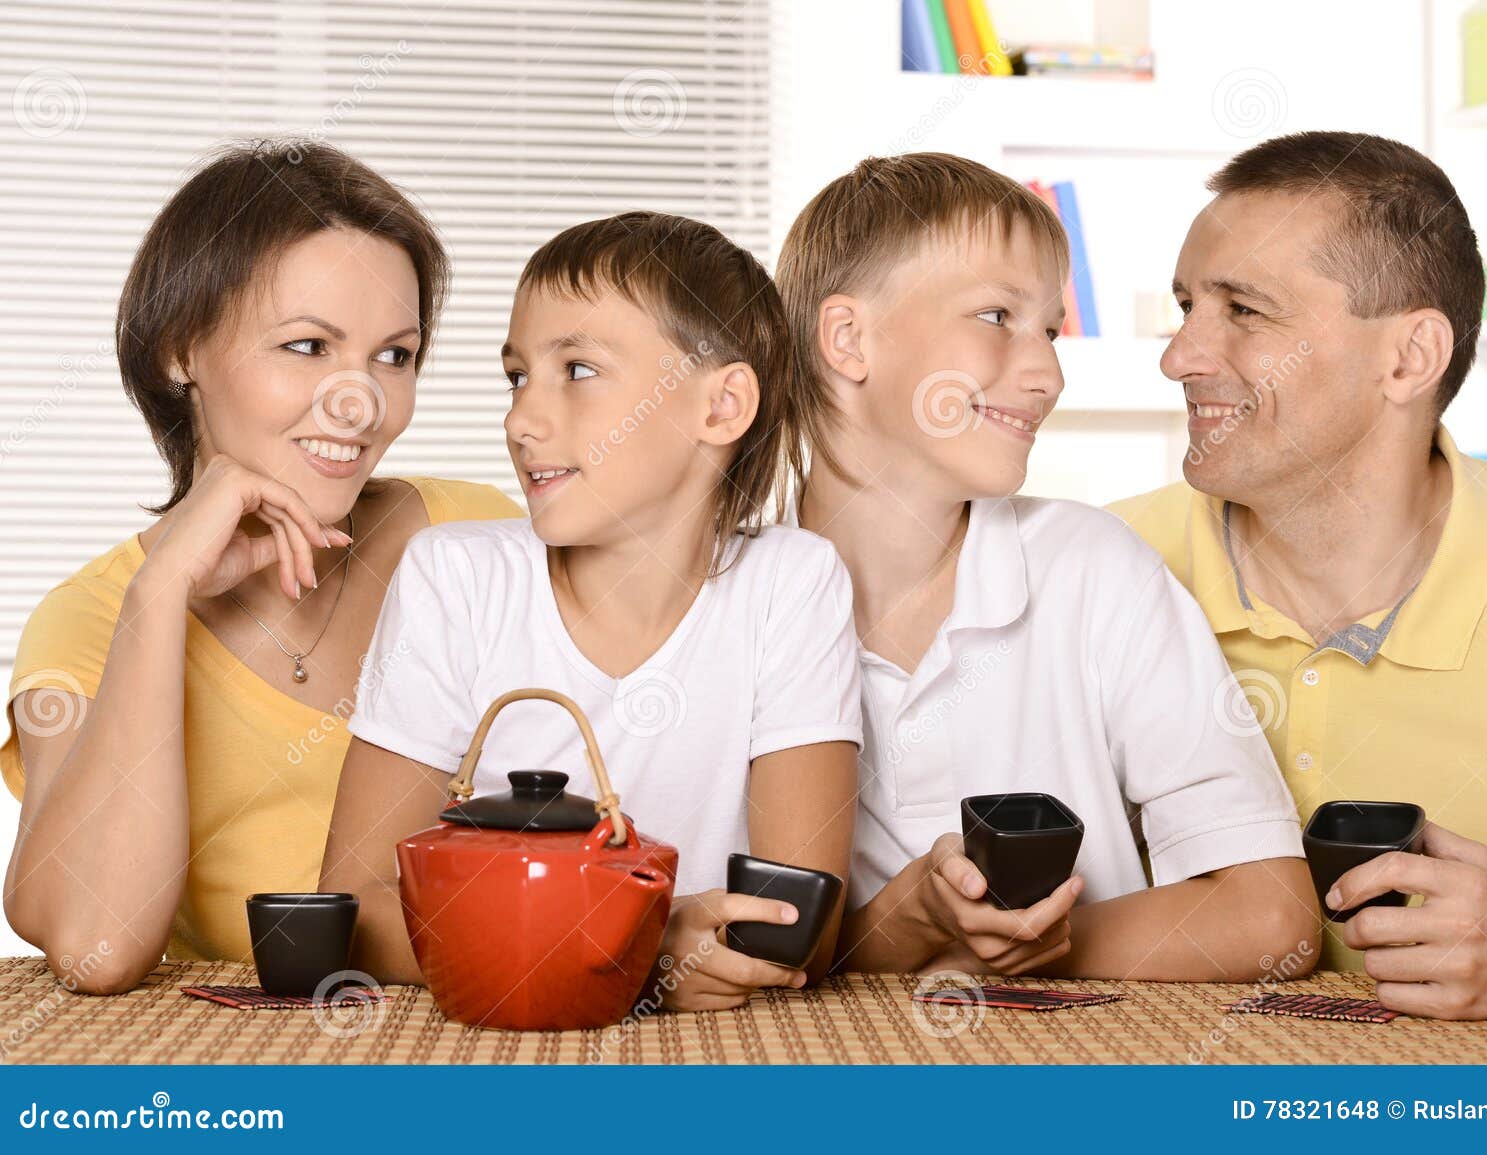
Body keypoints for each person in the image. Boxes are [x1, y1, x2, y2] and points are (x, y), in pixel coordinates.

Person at [775, 152, 1320, 981]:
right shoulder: (727, 603)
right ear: (849, 339)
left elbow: (1272, 916)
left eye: (1050, 331)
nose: (1048, 375)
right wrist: (902, 925)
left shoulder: (1094, 572)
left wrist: (1035, 944)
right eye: (997, 315)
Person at [1, 141, 521, 993]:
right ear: (179, 351)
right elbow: (97, 947)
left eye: (395, 355)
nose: (361, 402)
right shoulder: (91, 620)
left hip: (494, 1025)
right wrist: (160, 596)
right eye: (308, 345)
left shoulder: (474, 537)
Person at [1111, 131, 1487, 1019]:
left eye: (1245, 310)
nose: (1180, 356)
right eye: (1187, 305)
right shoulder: (1097, 569)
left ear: (1409, 358)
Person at [320, 211, 863, 1011]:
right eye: (516, 376)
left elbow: (798, 919)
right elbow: (352, 910)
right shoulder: (456, 577)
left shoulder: (793, 582)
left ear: (721, 406)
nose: (520, 420)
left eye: (576, 369)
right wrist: (634, 948)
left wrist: (590, 945)